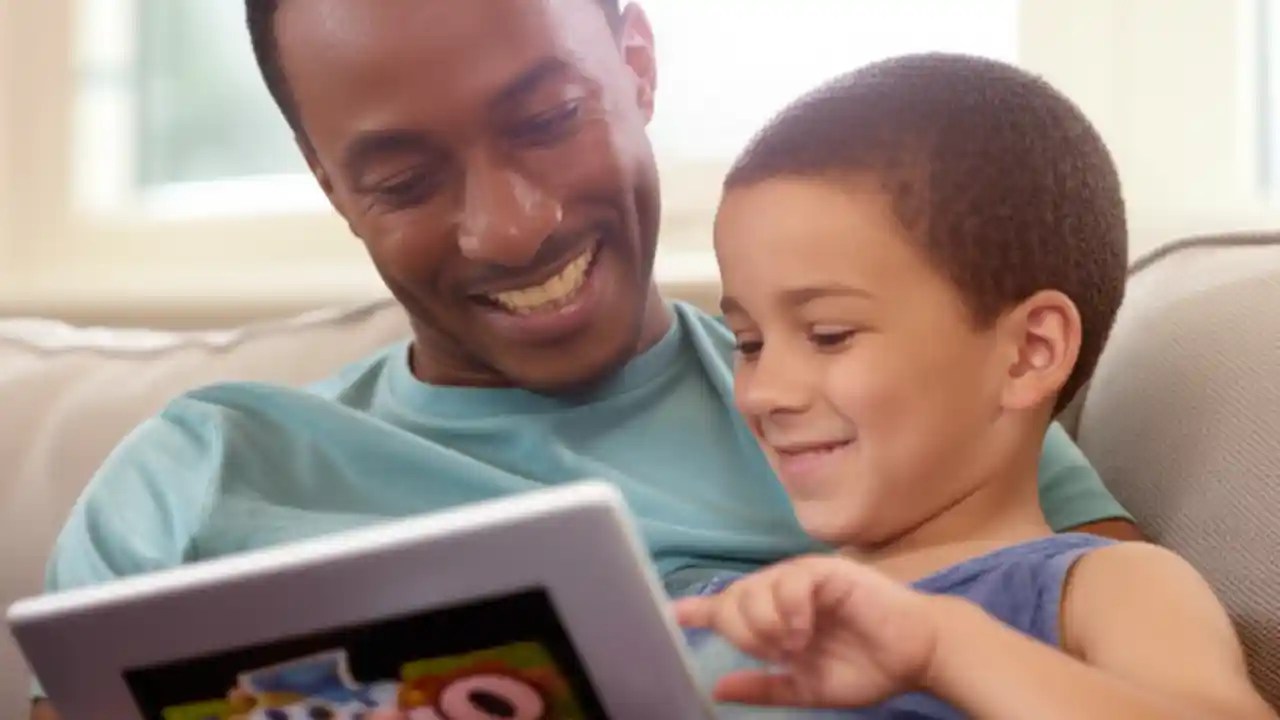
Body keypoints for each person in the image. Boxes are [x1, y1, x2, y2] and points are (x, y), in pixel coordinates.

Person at [27, 2, 1139, 718]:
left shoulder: (895, 418)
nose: (509, 230)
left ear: (637, 61)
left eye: (551, 115)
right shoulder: (199, 479)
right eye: (406, 182)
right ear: (331, 186)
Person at [671, 54, 1273, 718]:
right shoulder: (736, 612)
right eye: (750, 344)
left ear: (1026, 354)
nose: (762, 393)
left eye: (830, 334)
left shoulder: (1099, 585)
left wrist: (942, 647)